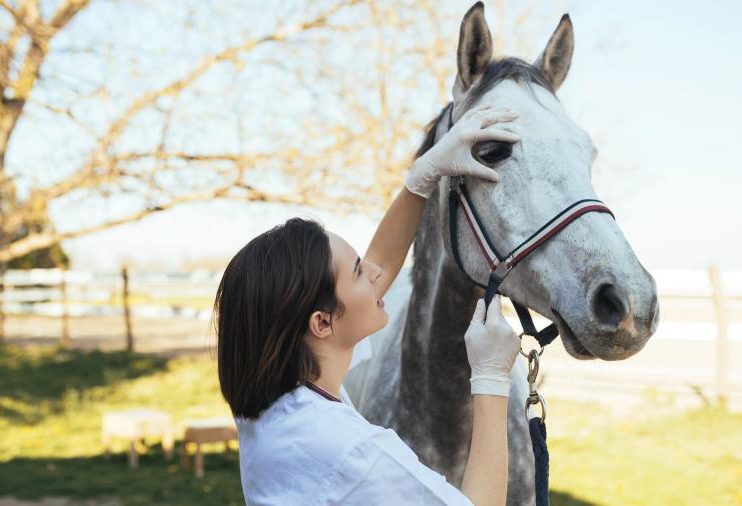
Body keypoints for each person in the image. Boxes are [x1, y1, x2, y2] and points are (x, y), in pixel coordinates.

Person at [214, 104, 523, 505]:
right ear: (322, 324)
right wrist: (492, 377)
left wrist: (422, 178)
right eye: (359, 272)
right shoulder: (355, 452)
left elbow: (379, 260)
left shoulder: (273, 401)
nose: (377, 275)